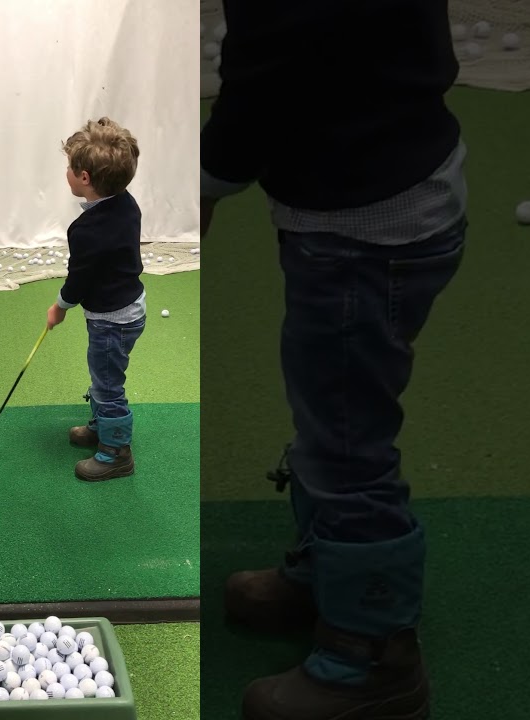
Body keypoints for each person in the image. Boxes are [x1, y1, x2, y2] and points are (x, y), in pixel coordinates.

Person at [202, 2, 467, 718]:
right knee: (329, 412)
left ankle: (373, 654)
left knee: (345, 441)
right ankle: (329, 573)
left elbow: (266, 68)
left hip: (365, 227)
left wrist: (208, 179)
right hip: (380, 199)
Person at [46, 117, 145, 482]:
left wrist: (60, 307)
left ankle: (116, 453)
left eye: (70, 168)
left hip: (112, 319)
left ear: (84, 178)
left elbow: (79, 279)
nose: (67, 173)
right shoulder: (126, 202)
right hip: (129, 308)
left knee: (106, 384)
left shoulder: (86, 230)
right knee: (103, 374)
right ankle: (103, 427)